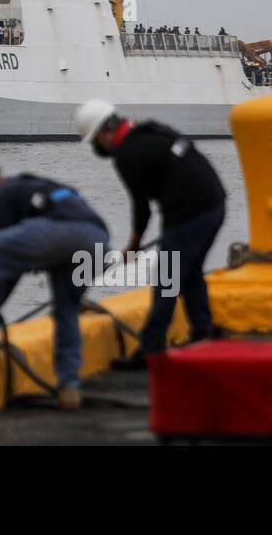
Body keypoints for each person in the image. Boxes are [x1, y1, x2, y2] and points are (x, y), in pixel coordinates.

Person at [0, 156, 110, 409]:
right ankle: (69, 388)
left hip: (68, 234)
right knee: (66, 310)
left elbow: (4, 268)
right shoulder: (26, 187)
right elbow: (11, 269)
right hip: (98, 242)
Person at [71, 100, 226, 370]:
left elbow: (141, 208)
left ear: (105, 132)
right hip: (215, 204)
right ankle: (203, 333)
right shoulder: (149, 131)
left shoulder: (126, 154)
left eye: (95, 139)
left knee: (166, 280)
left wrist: (132, 246)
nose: (97, 146)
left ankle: (151, 349)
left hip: (191, 213)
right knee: (188, 273)